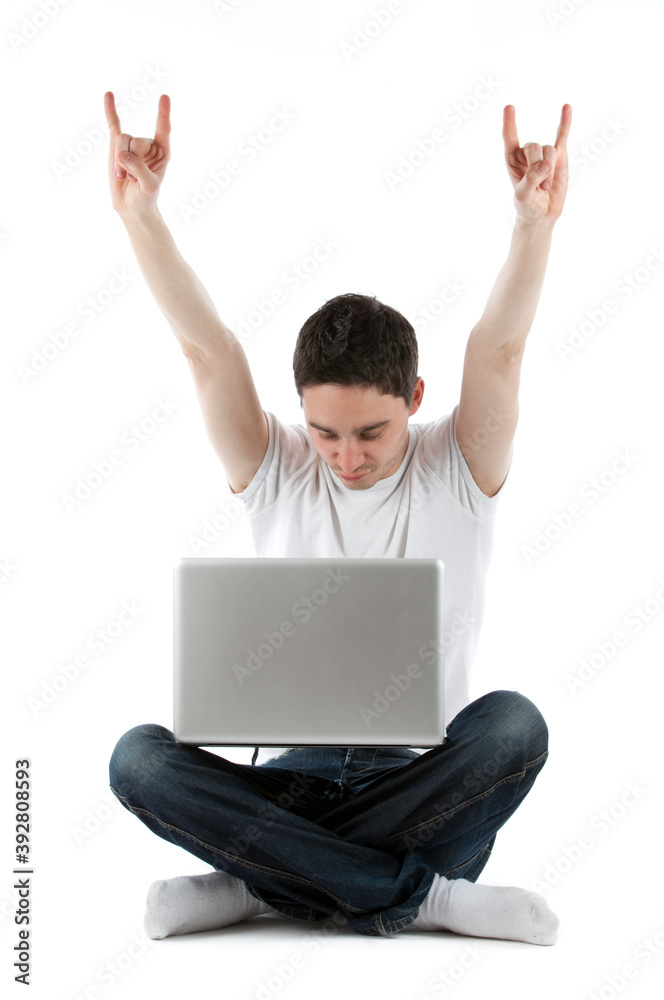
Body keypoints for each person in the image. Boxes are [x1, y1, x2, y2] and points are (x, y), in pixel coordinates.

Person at [105, 90, 571, 944]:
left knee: (515, 725)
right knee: (137, 758)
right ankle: (416, 897)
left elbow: (499, 348)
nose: (345, 457)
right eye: (323, 432)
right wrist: (142, 215)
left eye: (370, 433)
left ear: (415, 401)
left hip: (423, 786)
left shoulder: (457, 467)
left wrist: (531, 223)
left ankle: (261, 883)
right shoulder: (279, 467)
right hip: (289, 782)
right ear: (299, 416)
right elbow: (208, 351)